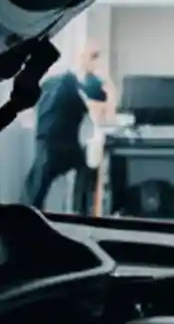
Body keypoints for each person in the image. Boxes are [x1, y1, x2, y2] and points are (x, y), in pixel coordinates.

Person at [22, 39, 115, 213]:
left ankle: (28, 218)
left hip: (50, 142)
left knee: (35, 189)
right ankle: (81, 212)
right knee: (39, 189)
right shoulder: (72, 81)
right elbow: (102, 103)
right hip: (57, 143)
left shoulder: (56, 82)